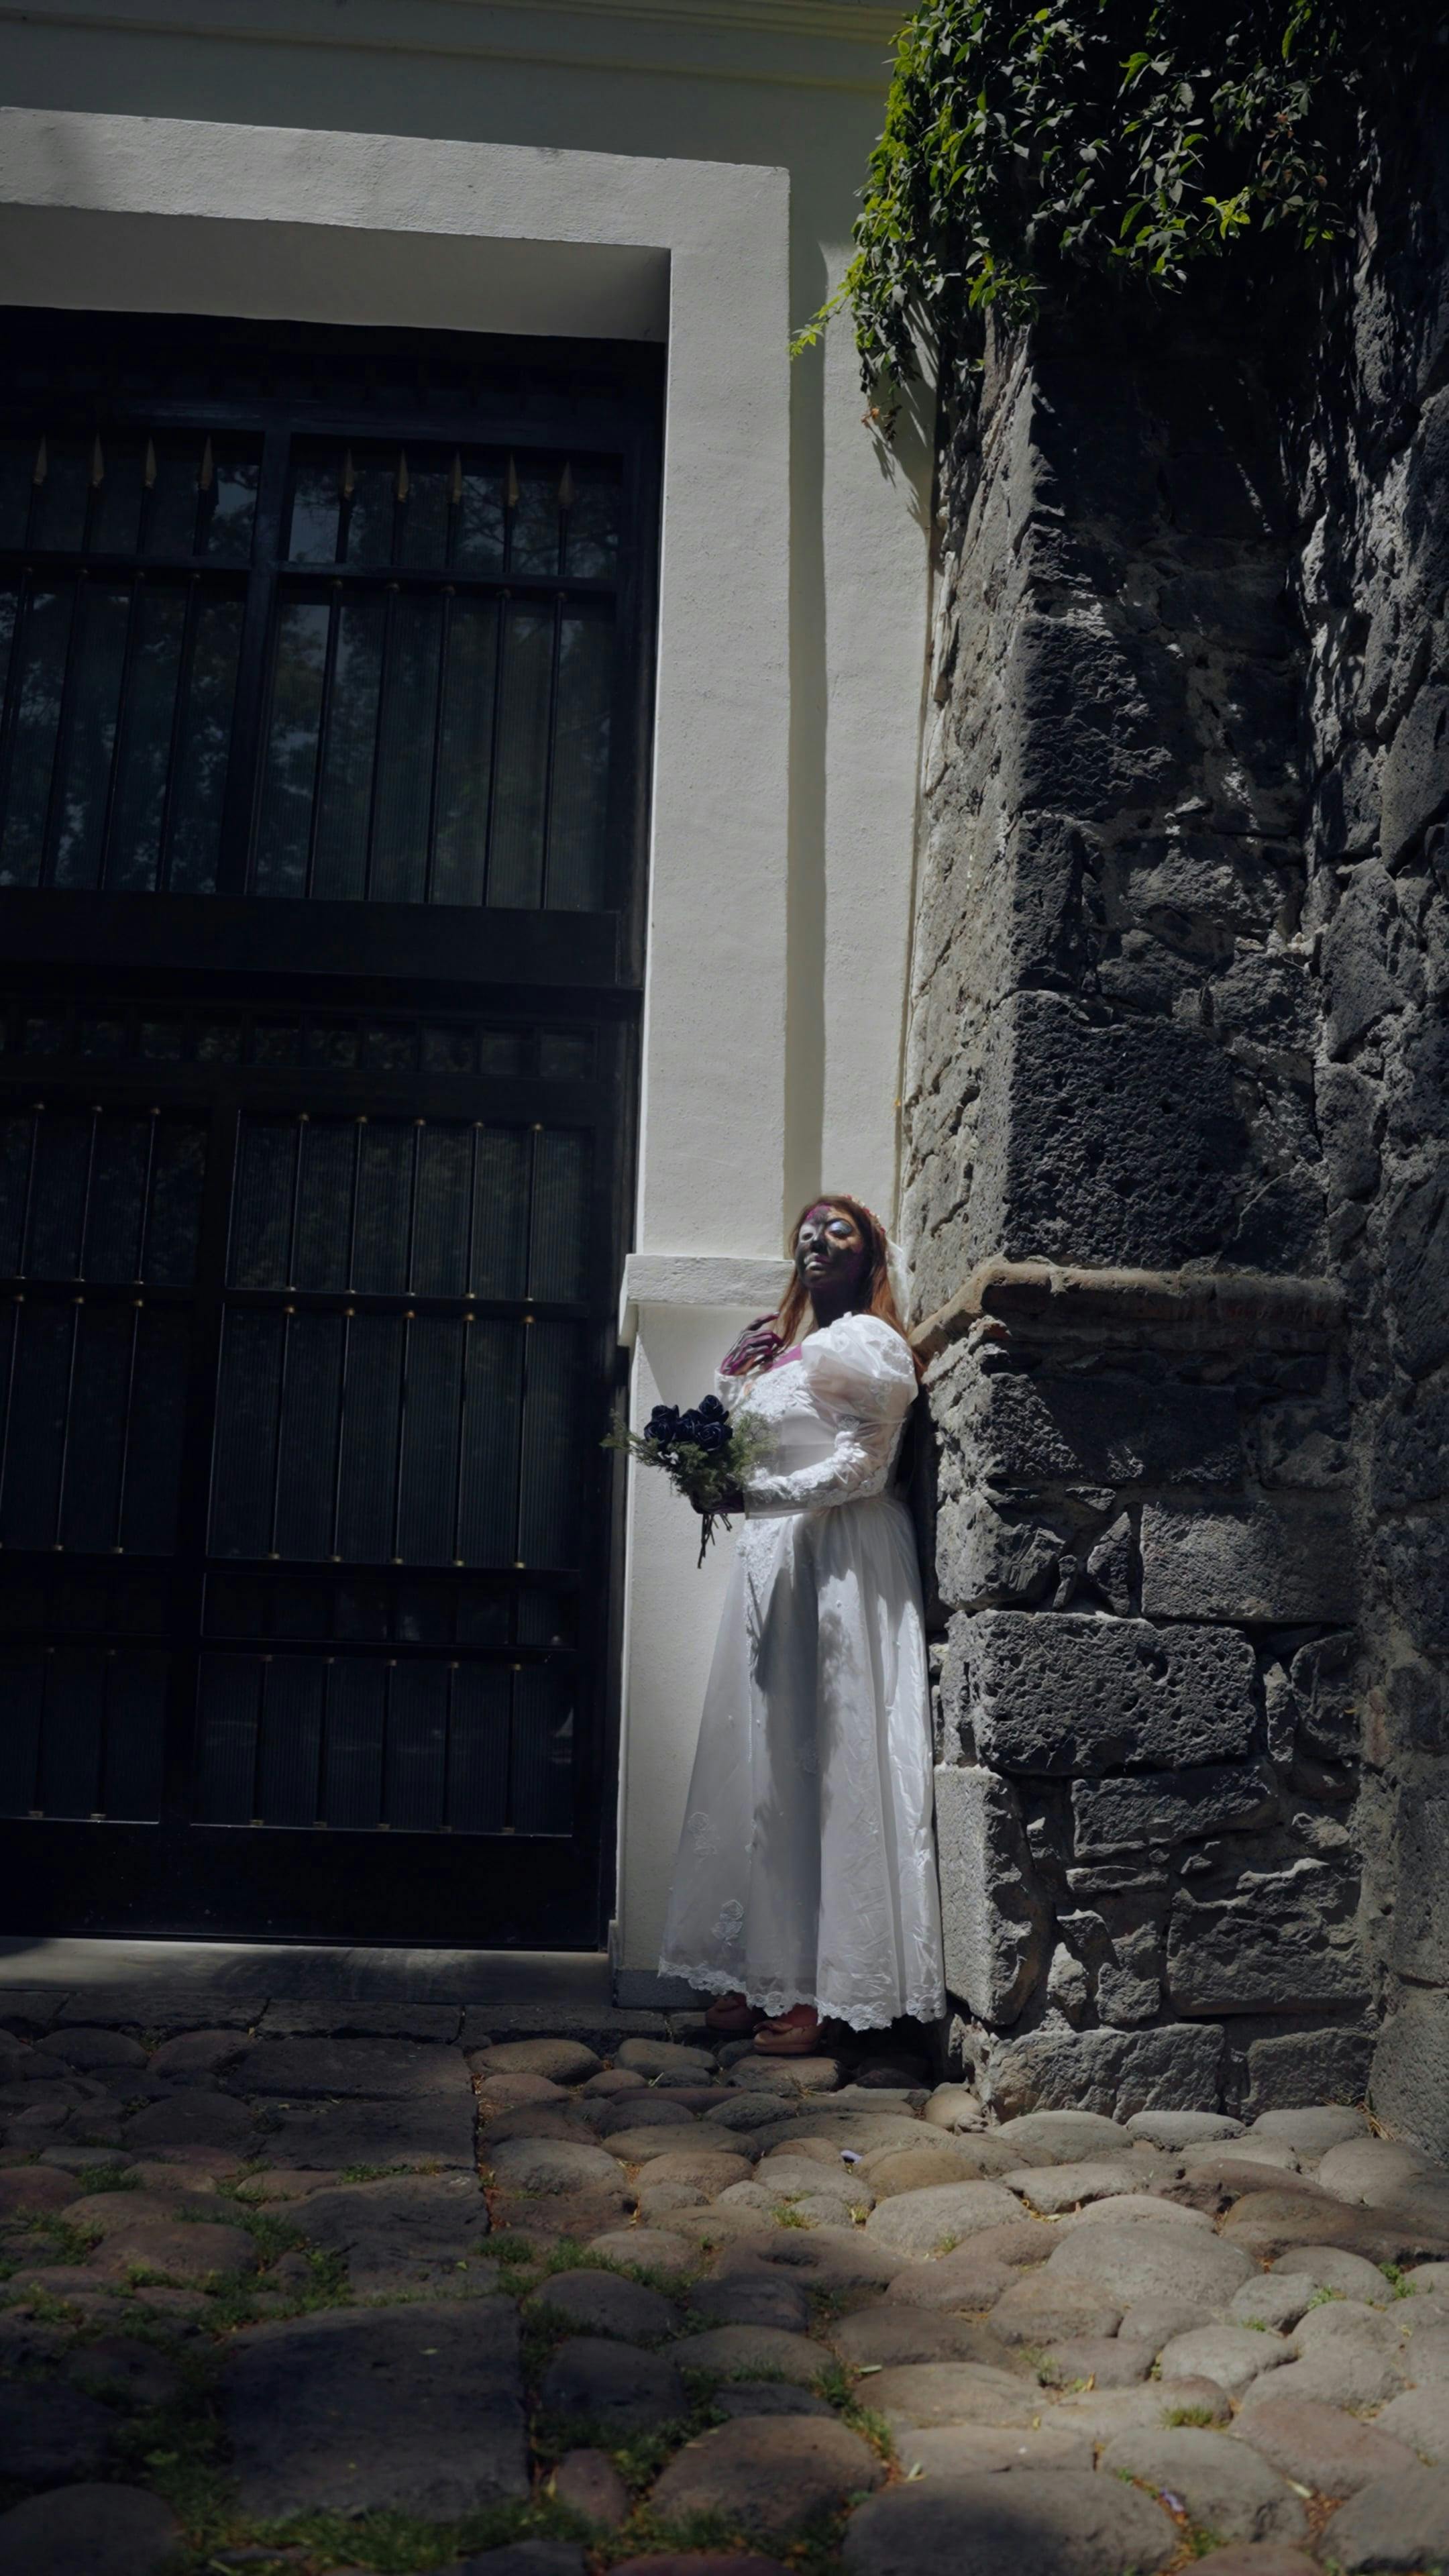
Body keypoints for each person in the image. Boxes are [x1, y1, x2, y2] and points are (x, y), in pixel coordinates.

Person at [658, 1195, 946, 2055]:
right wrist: (731, 1380)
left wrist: (754, 1499)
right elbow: (753, 1441)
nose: (816, 1243)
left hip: (838, 1564)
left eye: (839, 1232)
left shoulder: (867, 1344)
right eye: (807, 1233)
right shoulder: (785, 1351)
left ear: (869, 1257)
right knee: (768, 1766)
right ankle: (768, 1970)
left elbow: (863, 1467)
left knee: (830, 1759)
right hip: (774, 1568)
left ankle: (827, 1987)